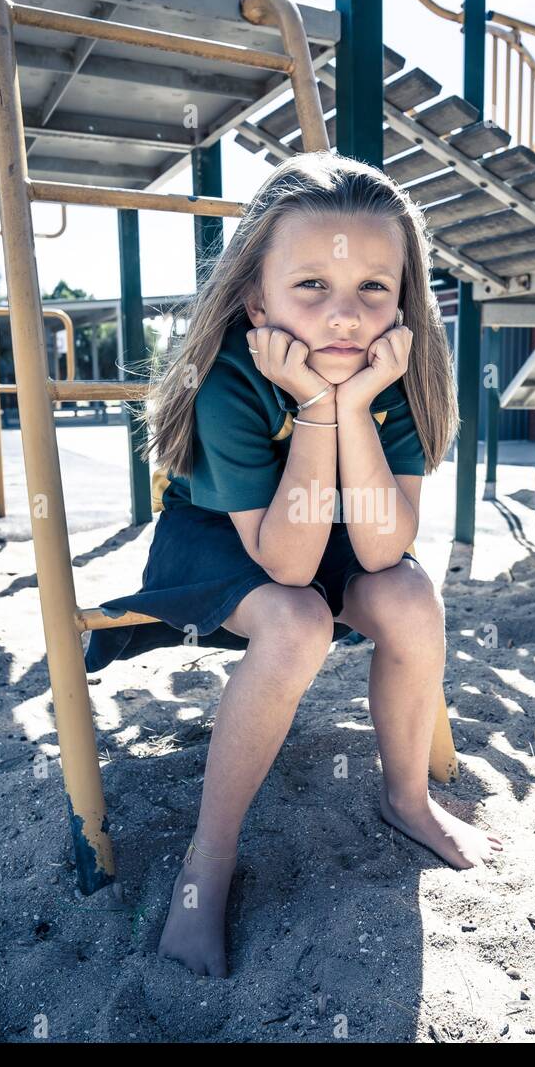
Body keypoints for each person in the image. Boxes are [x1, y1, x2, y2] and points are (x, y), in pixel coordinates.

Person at [87, 151, 503, 977]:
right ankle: (209, 857)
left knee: (414, 598)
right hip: (221, 539)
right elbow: (283, 562)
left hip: (340, 530)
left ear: (405, 299)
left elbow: (383, 548)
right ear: (256, 298)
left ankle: (407, 797)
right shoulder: (233, 383)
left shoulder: (399, 379)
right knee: (298, 616)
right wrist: (316, 406)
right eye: (311, 286)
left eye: (372, 290)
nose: (345, 316)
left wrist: (348, 406)